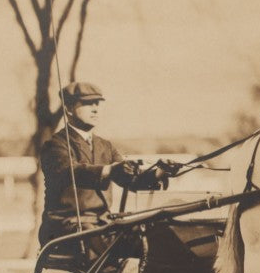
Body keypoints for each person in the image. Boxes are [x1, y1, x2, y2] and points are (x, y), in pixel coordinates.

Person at [38, 81, 173, 251]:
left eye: (97, 103)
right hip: (67, 228)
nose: (95, 109)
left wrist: (159, 173)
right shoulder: (55, 146)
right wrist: (110, 170)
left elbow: (130, 178)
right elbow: (71, 171)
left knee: (155, 238)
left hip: (102, 225)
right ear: (69, 109)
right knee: (105, 248)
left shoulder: (105, 146)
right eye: (87, 103)